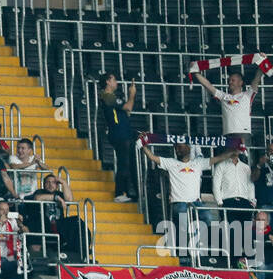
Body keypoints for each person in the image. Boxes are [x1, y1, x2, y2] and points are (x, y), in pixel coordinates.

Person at [140, 141, 239, 262]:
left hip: (195, 203)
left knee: (207, 217)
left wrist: (233, 151)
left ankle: (199, 248)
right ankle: (185, 254)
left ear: (188, 148)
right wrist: (143, 145)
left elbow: (218, 158)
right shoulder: (171, 163)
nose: (178, 150)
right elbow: (152, 157)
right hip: (179, 202)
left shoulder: (197, 163)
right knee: (183, 222)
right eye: (176, 148)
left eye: (180, 147)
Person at [193, 67, 262, 138]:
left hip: (243, 133)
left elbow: (256, 80)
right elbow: (207, 85)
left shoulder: (247, 95)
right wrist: (195, 72)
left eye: (233, 80)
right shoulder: (223, 96)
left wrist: (261, 65)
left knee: (243, 149)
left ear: (240, 82)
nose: (230, 82)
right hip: (228, 134)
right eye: (229, 80)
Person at [99, 73, 137, 202]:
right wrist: (132, 94)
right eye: (114, 79)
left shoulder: (112, 97)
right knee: (124, 163)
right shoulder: (106, 95)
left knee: (128, 163)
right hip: (119, 133)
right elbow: (128, 106)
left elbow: (126, 112)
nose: (117, 82)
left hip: (124, 132)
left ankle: (126, 192)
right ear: (108, 81)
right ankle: (119, 193)